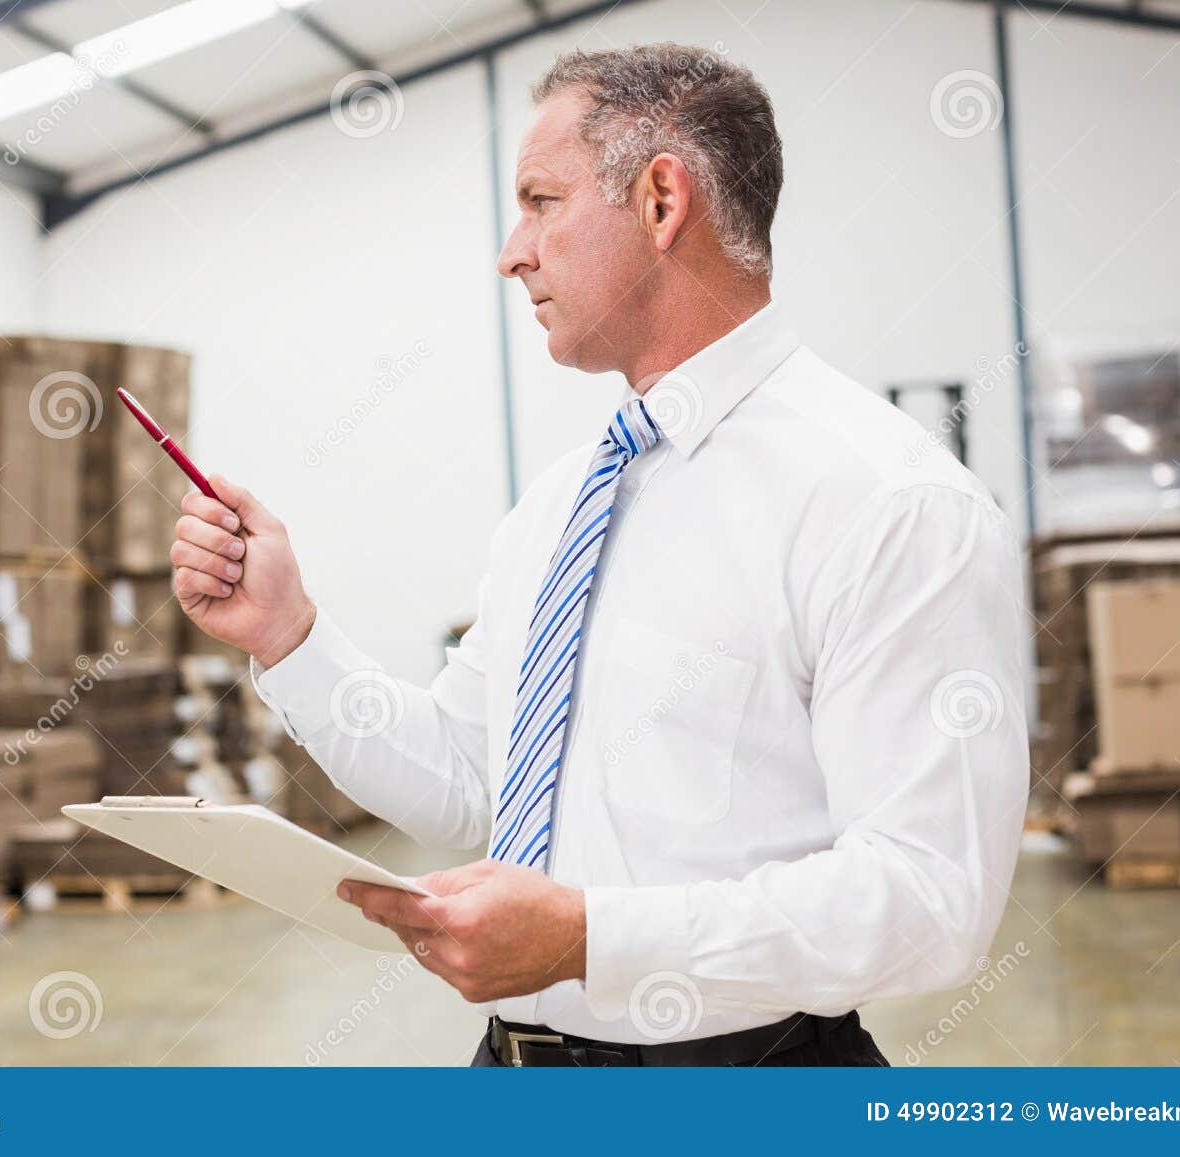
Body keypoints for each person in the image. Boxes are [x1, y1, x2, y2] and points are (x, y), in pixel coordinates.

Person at [171, 44, 1027, 1067]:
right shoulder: (561, 505)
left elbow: (931, 896)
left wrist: (589, 935)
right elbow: (471, 782)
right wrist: (289, 634)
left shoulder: (885, 500)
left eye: (541, 202)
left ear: (662, 201)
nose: (511, 252)